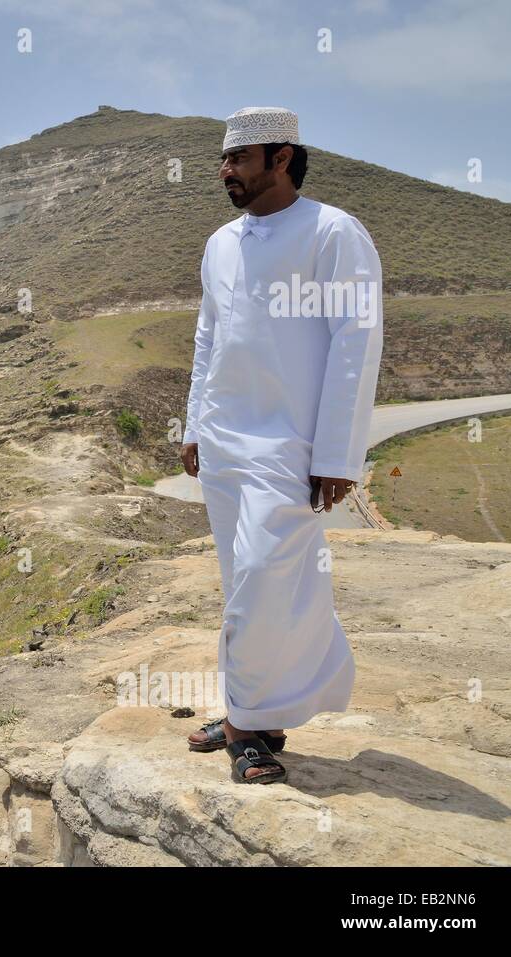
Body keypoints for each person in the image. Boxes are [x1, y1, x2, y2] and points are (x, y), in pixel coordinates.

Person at [179, 107, 384, 784]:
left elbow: (357, 344)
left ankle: (244, 726)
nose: (226, 171)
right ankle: (257, 710)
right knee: (247, 583)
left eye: (240, 159)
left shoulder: (333, 233)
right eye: (223, 159)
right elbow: (210, 338)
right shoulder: (219, 244)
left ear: (283, 157)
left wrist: (337, 454)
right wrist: (193, 426)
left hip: (288, 446)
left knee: (265, 579)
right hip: (225, 441)